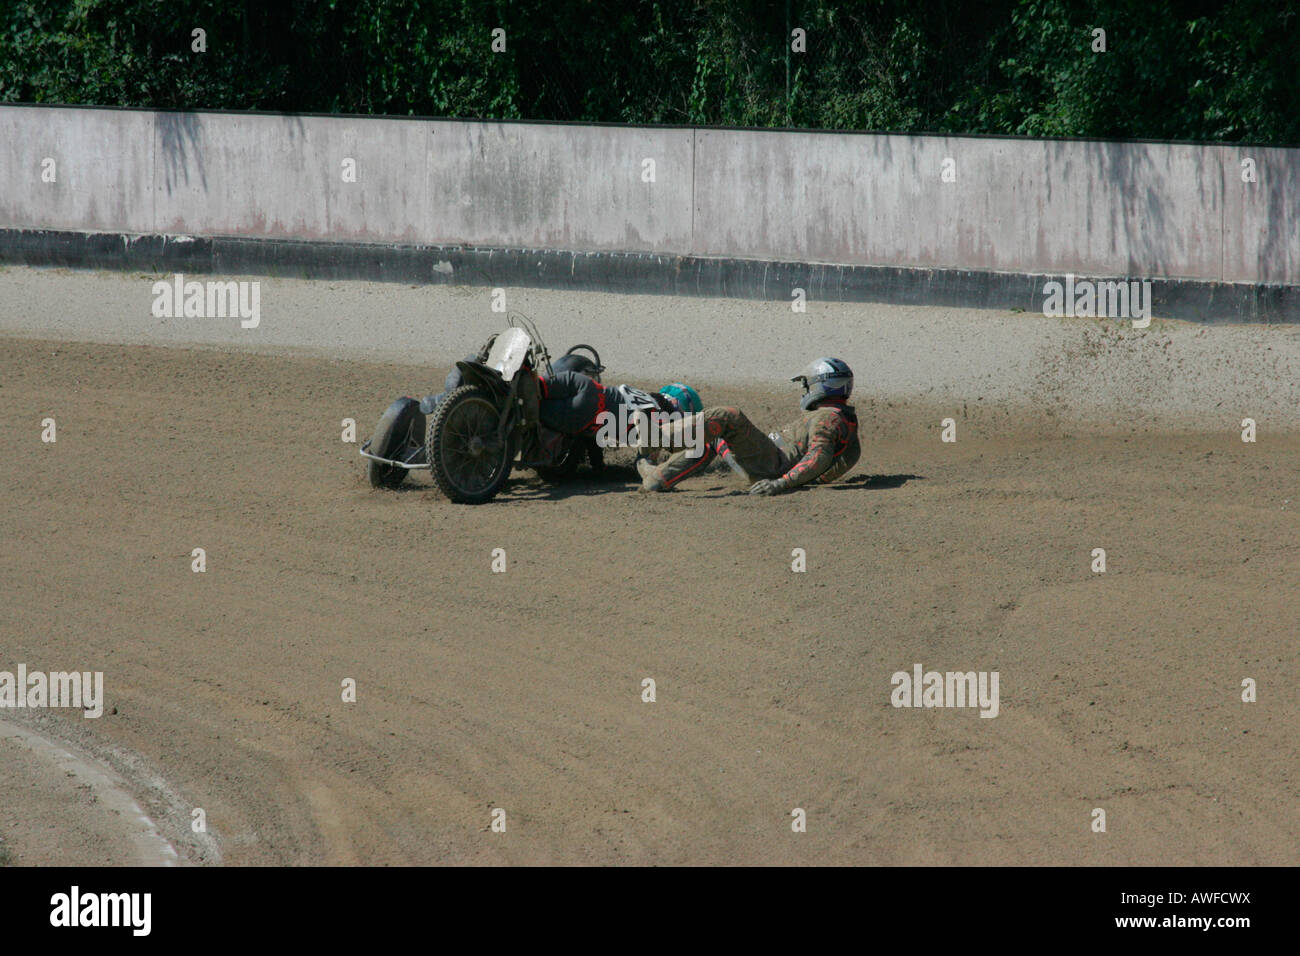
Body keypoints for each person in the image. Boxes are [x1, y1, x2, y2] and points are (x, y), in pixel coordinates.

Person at [636, 357, 859, 495]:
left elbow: (819, 457)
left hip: (772, 467)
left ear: (822, 385)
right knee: (713, 434)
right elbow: (839, 463)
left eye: (806, 385)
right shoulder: (845, 421)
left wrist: (781, 484)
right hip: (768, 467)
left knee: (728, 416)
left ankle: (657, 438)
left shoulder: (828, 418)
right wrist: (804, 481)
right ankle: (658, 477)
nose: (805, 390)